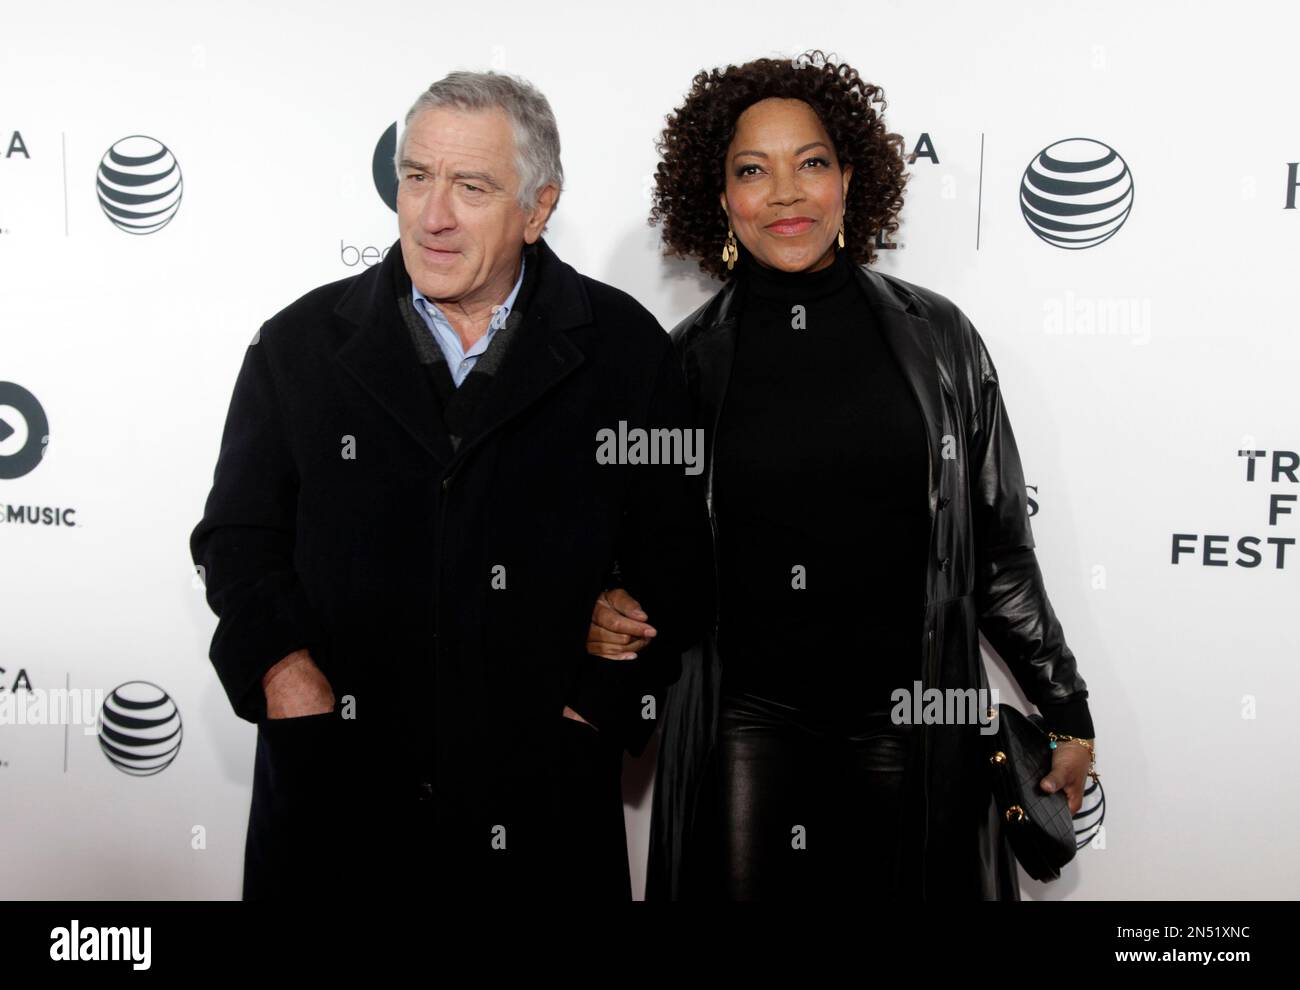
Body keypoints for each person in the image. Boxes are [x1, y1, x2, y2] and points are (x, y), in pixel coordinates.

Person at [586, 50, 1099, 900]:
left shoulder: (941, 341)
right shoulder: (680, 365)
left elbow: (1000, 550)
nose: (786, 194)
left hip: (918, 717)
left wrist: (1068, 712)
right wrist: (607, 601)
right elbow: (643, 546)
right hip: (746, 725)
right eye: (753, 170)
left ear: (849, 180)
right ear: (721, 196)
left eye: (812, 163)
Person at [190, 69, 710, 901]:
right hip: (337, 800)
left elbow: (674, 561)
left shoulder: (627, 350)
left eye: (471, 187)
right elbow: (238, 541)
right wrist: (290, 683)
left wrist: (592, 711)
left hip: (542, 815)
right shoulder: (295, 345)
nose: (433, 215)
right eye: (417, 177)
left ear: (537, 209)